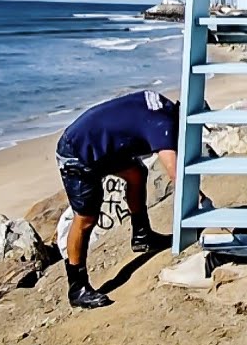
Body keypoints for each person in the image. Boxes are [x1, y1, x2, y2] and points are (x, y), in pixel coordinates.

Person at [55, 89, 196, 309]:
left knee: (136, 173)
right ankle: (77, 287)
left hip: (103, 145)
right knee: (86, 219)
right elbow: (177, 176)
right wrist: (204, 204)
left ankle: (142, 236)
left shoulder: (164, 107)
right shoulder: (162, 127)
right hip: (77, 151)